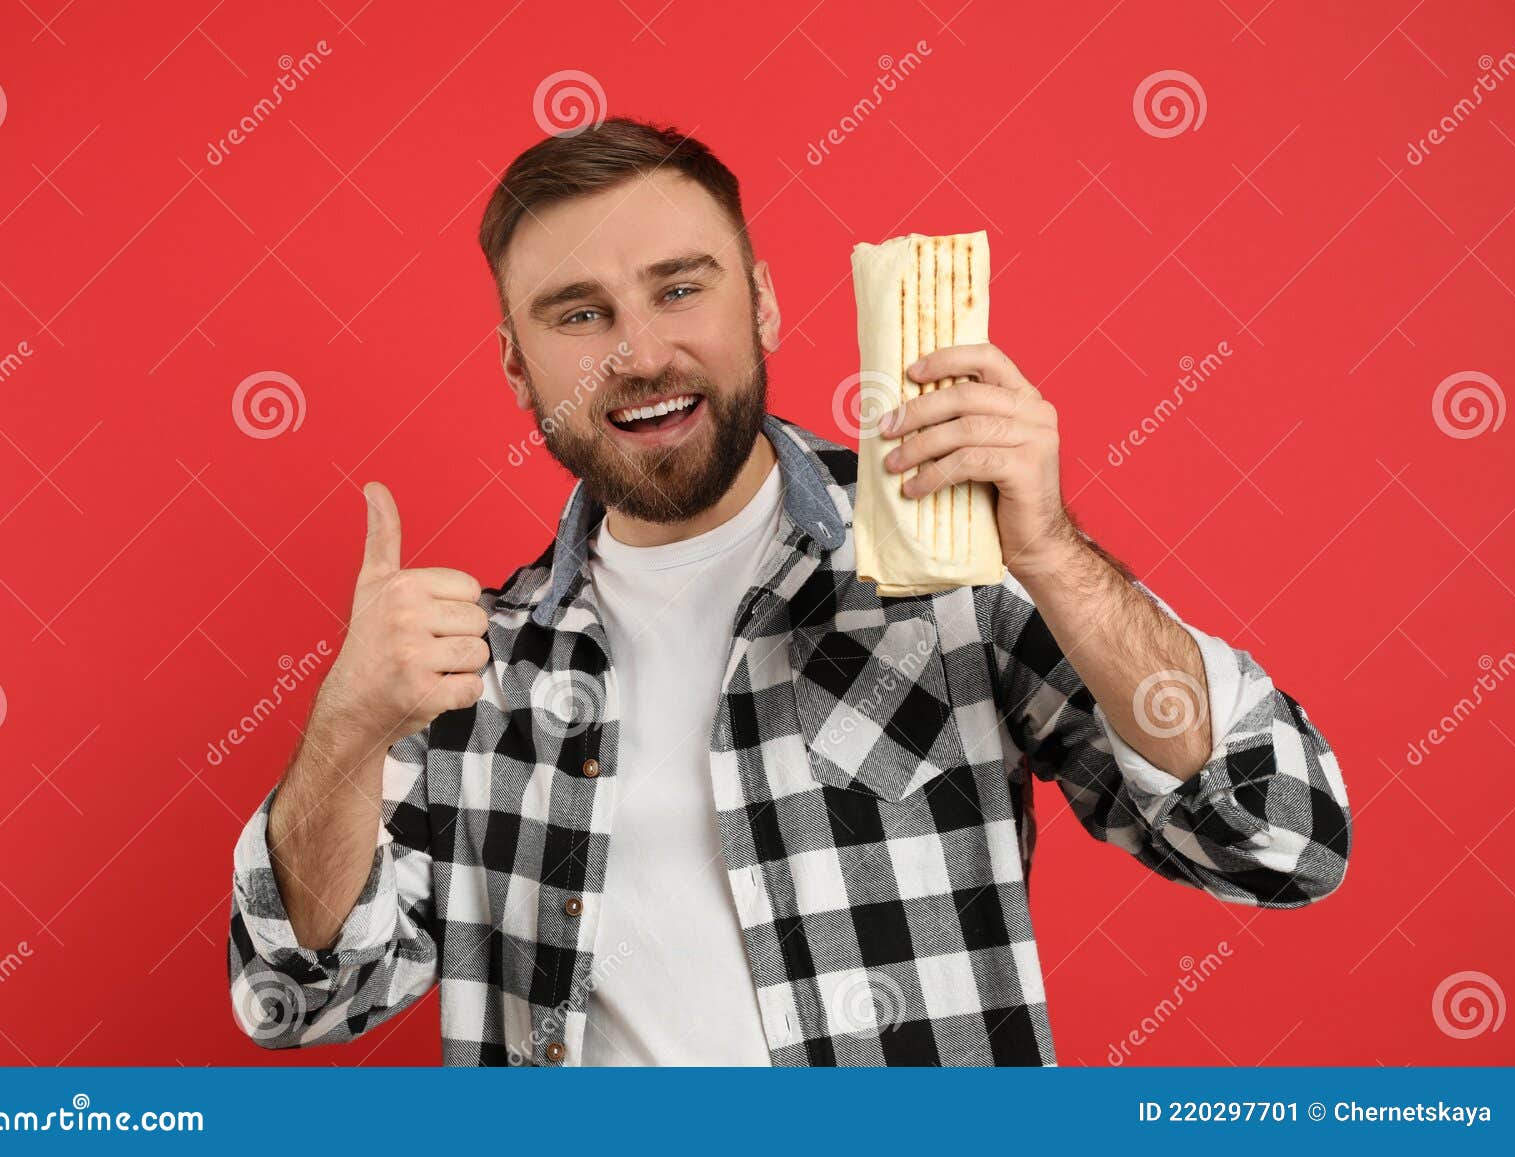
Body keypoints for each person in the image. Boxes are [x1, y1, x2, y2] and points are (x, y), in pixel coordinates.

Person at [226, 117, 1351, 1066]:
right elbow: (302, 992)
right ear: (517, 366)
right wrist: (347, 724)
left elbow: (1280, 838)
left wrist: (1053, 552)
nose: (639, 350)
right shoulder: (471, 663)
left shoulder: (953, 558)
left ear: (760, 305)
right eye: (578, 316)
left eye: (680, 289)